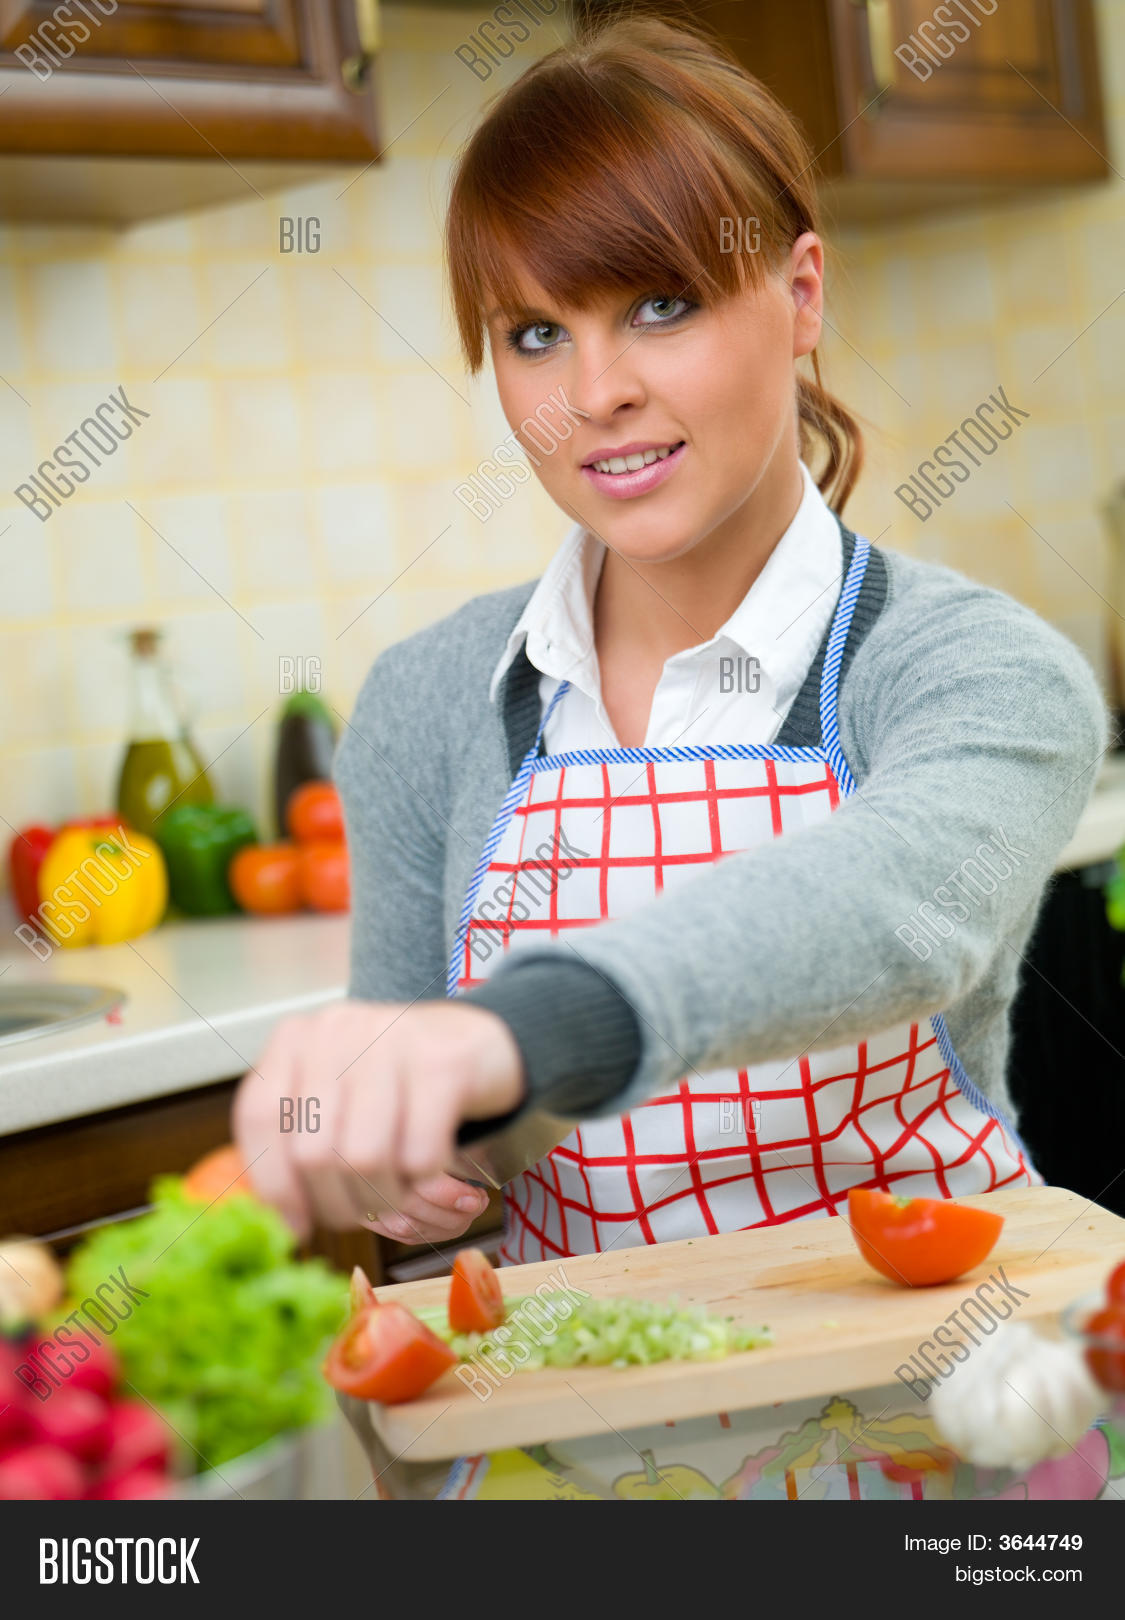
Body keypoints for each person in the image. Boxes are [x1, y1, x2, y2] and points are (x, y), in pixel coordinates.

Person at [234, 15, 1107, 1266]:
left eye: (658, 304)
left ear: (800, 294)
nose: (594, 394)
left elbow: (894, 910)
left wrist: (509, 1036)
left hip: (935, 1410)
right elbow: (434, 1125)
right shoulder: (428, 702)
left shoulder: (980, 673)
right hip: (586, 1419)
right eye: (536, 334)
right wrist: (414, 1157)